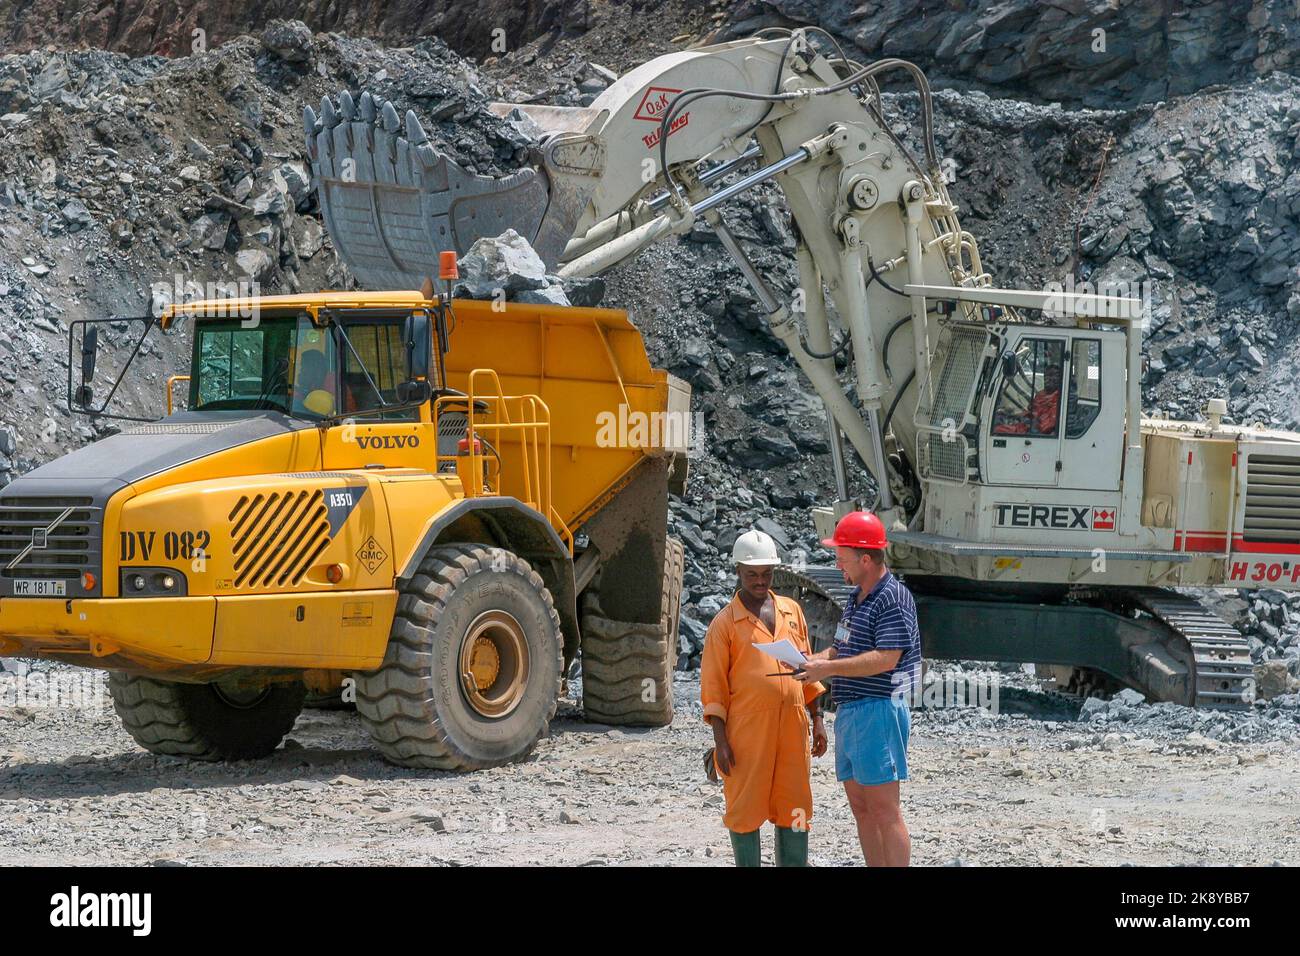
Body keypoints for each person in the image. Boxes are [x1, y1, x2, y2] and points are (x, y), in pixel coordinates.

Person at [797, 511, 921, 866]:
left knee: (884, 809)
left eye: (842, 558)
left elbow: (886, 658)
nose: (838, 565)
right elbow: (841, 648)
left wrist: (827, 668)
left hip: (878, 709)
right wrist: (811, 661)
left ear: (866, 559)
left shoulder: (892, 598)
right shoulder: (856, 598)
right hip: (852, 712)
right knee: (862, 808)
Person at [700, 529, 828, 866]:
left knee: (796, 804)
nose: (760, 580)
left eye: (767, 573)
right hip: (747, 732)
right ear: (739, 572)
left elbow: (808, 668)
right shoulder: (724, 624)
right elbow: (713, 689)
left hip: (793, 727)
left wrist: (817, 720)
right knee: (745, 806)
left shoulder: (791, 611)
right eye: (752, 574)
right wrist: (720, 742)